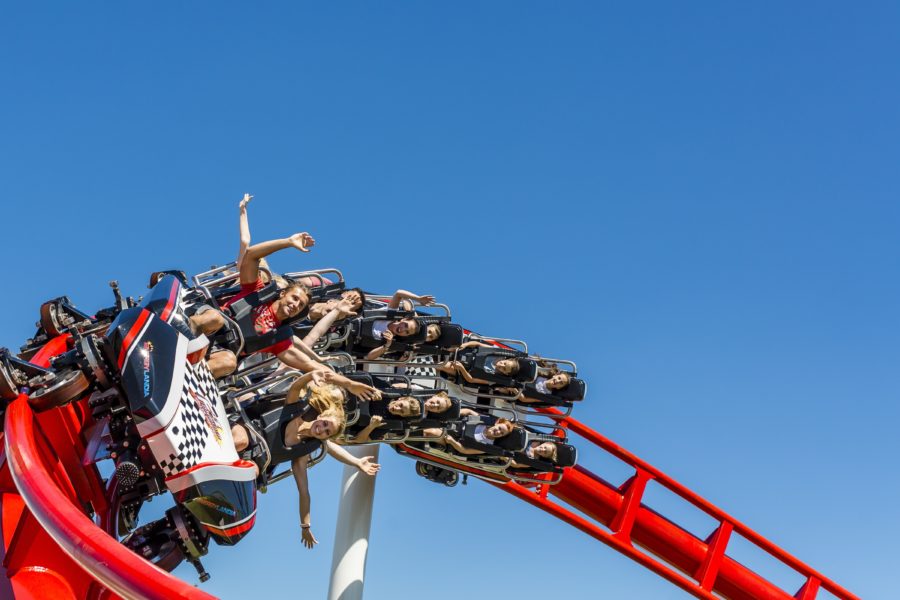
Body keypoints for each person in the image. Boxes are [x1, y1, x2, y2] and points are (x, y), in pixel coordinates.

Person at [189, 231, 329, 378]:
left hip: (224, 348)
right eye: (294, 298)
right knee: (215, 319)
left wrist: (347, 383)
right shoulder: (256, 291)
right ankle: (178, 339)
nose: (295, 304)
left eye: (300, 305)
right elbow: (251, 253)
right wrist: (288, 242)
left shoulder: (278, 336)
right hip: (212, 322)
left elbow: (308, 363)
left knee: (229, 363)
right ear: (282, 294)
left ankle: (188, 376)